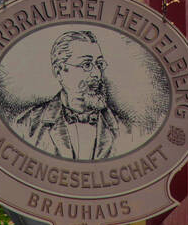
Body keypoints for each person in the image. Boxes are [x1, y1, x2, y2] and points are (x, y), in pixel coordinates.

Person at [9, 30, 134, 162]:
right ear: (59, 72)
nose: (97, 73)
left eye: (99, 64)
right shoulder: (28, 125)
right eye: (86, 65)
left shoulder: (124, 129)